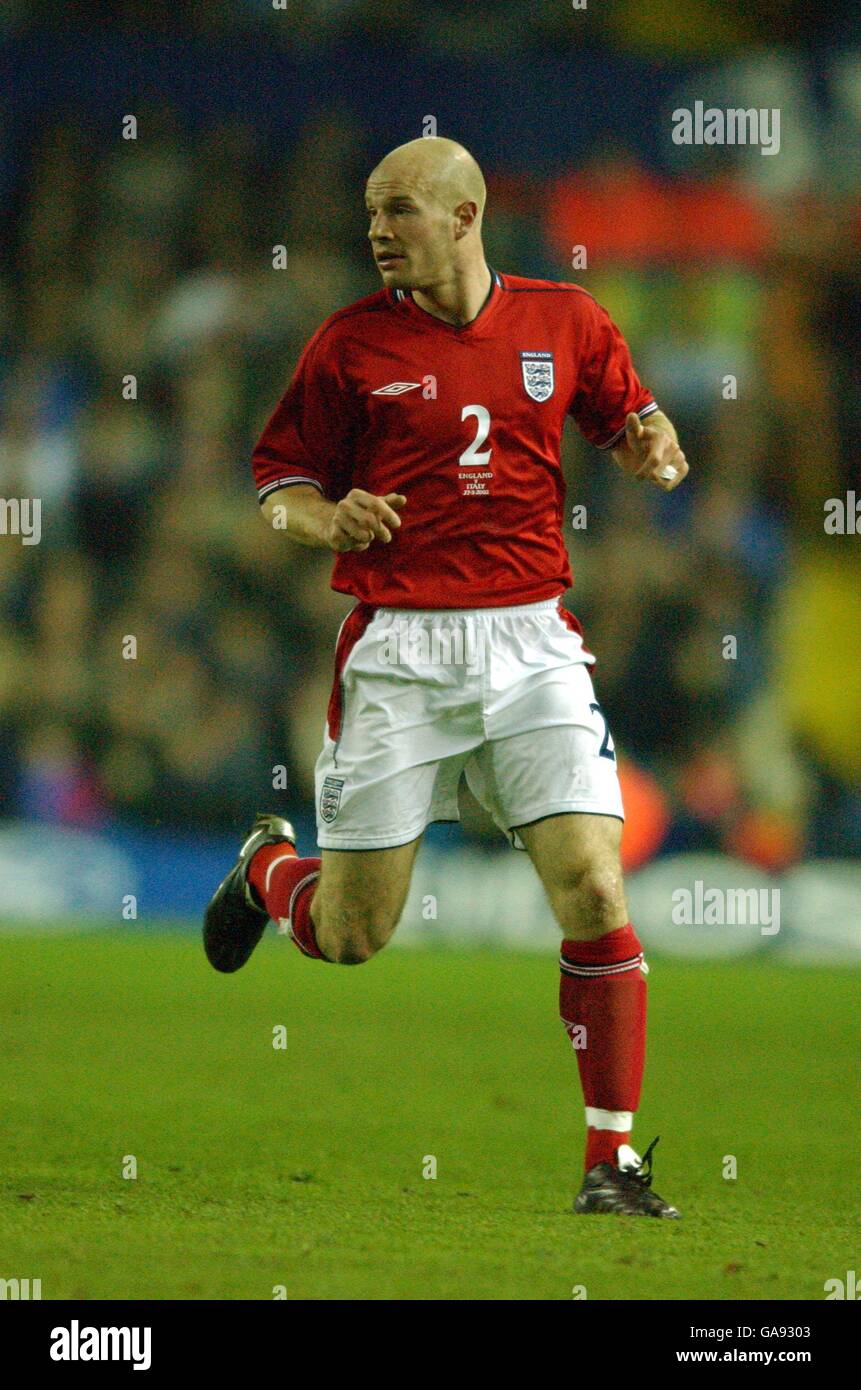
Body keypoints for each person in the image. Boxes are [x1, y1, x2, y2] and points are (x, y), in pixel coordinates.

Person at [204, 136, 688, 1217]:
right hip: (401, 650)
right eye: (373, 212)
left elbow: (625, 410)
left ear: (466, 217)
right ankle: (269, 870)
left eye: (402, 211)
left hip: (532, 645)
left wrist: (652, 439)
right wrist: (327, 515)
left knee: (596, 887)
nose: (379, 230)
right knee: (350, 935)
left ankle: (609, 1161)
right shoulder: (347, 346)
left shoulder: (564, 318)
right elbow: (275, 479)